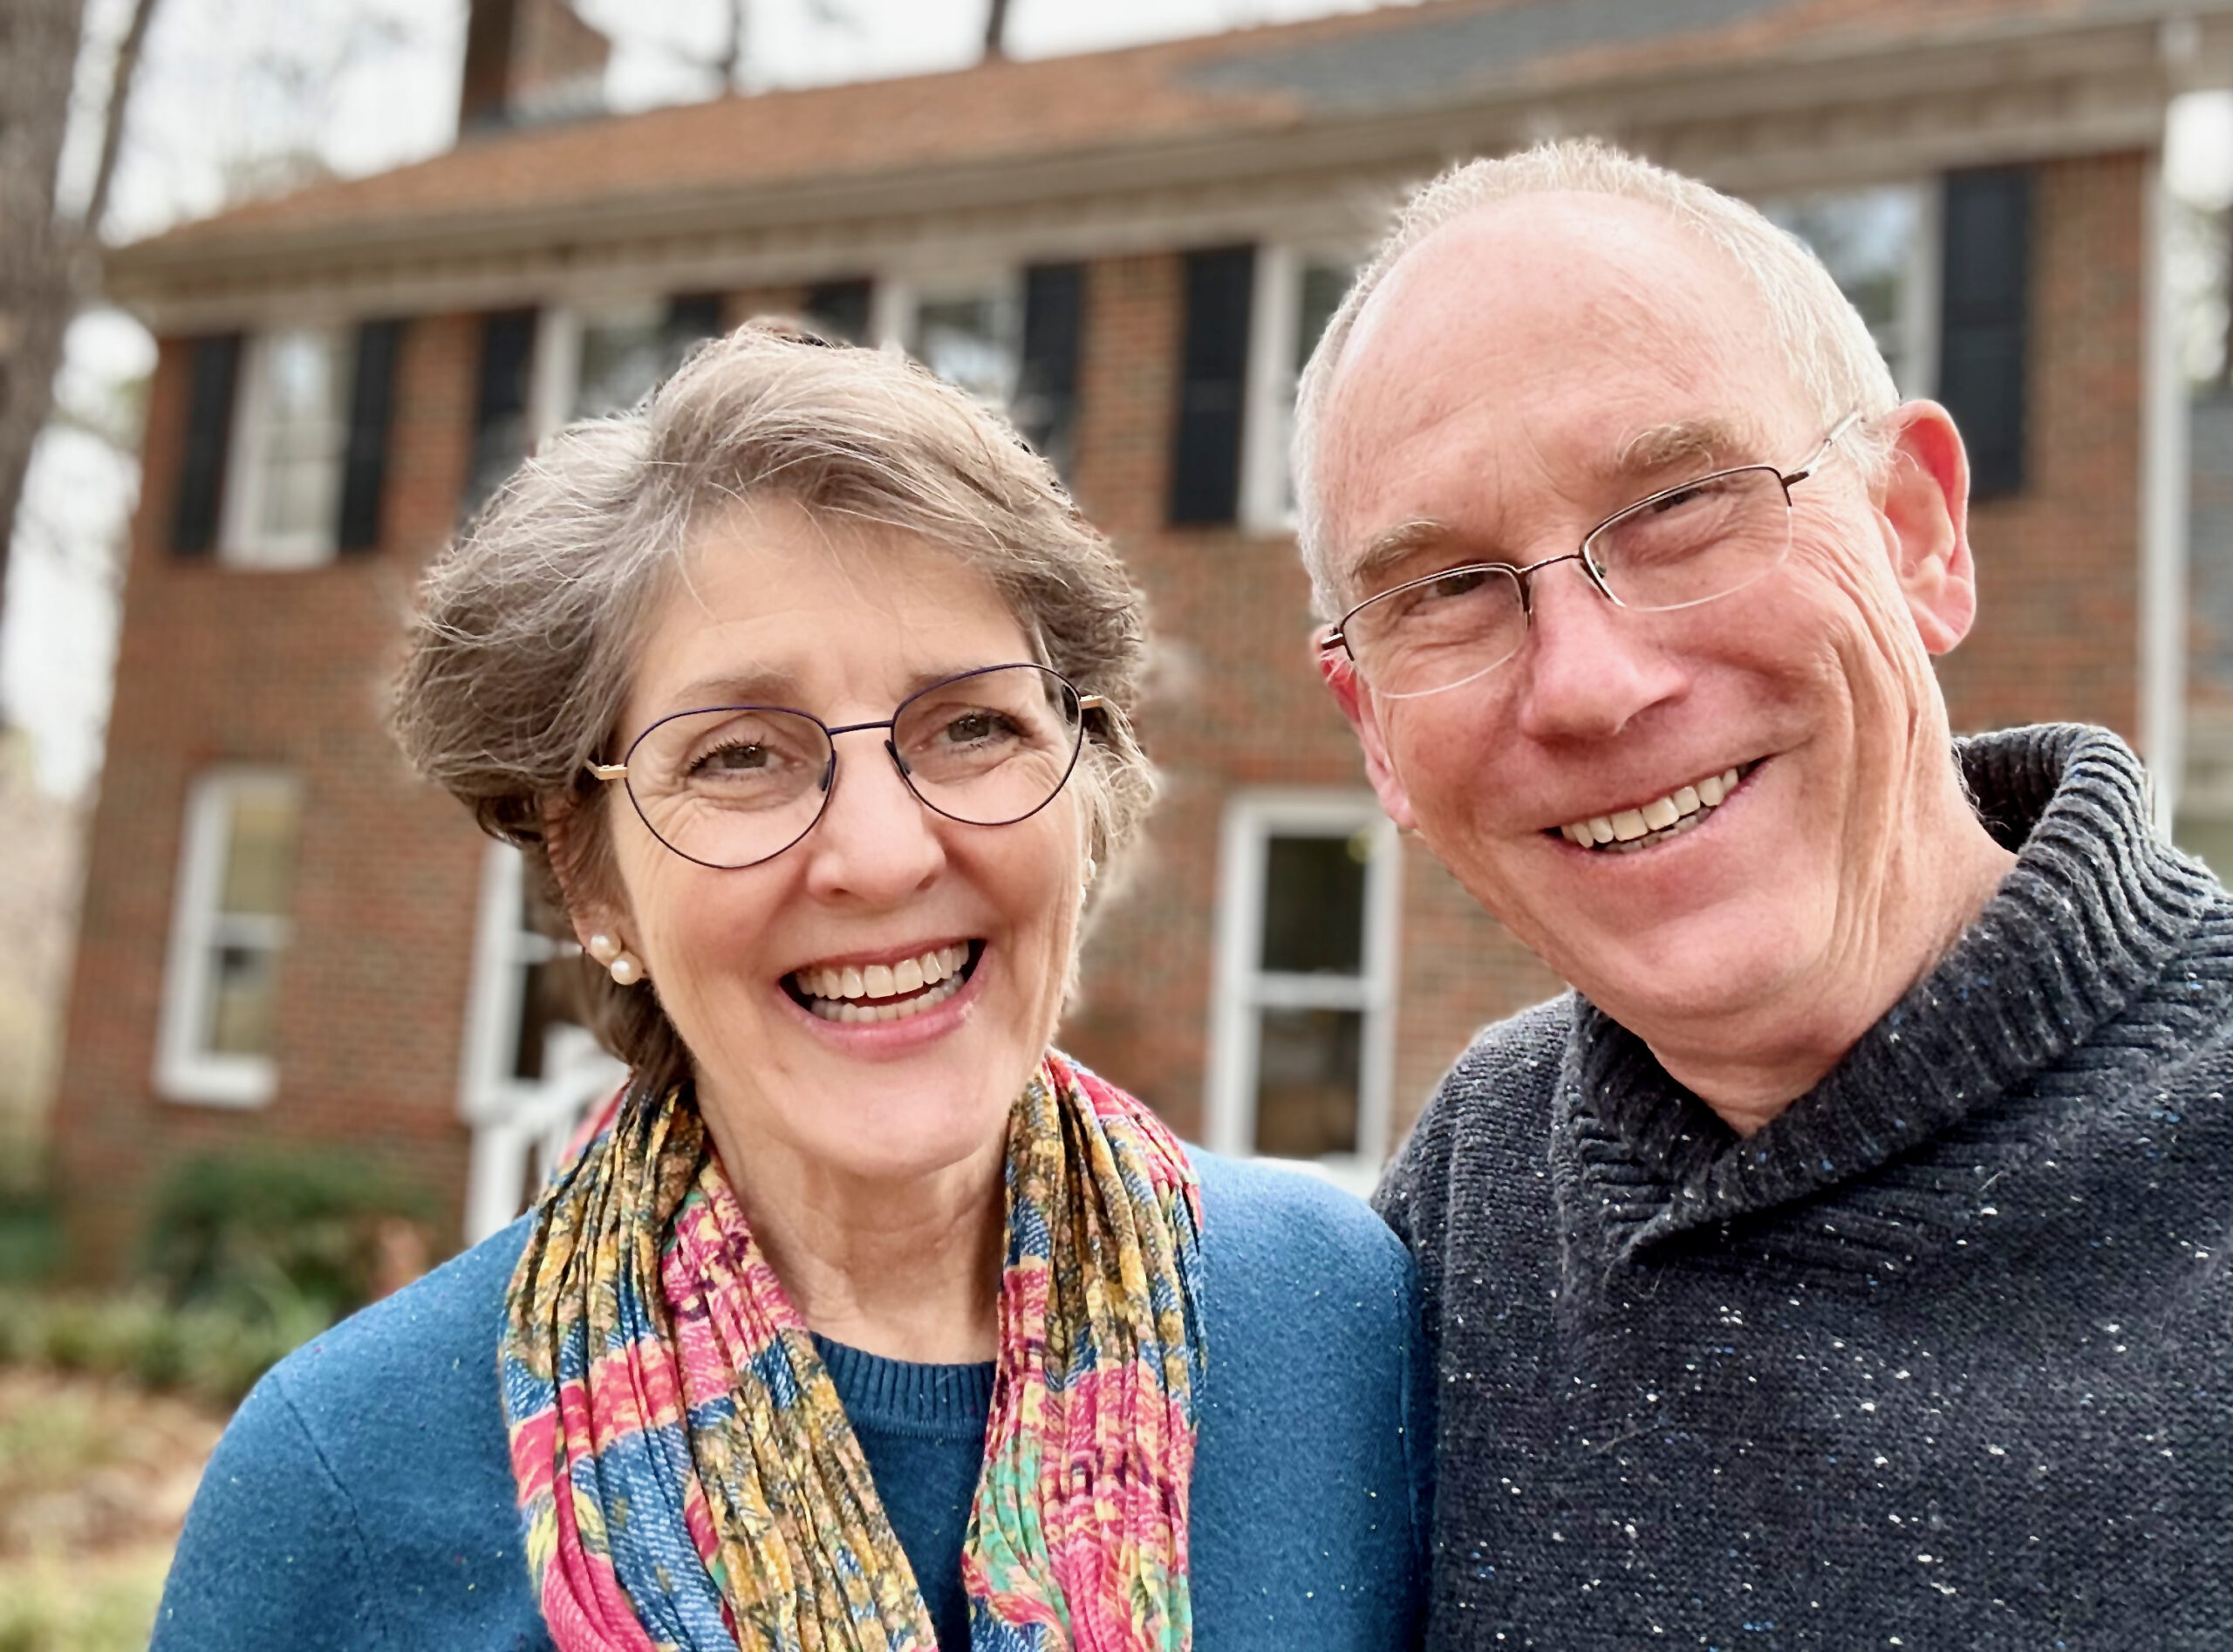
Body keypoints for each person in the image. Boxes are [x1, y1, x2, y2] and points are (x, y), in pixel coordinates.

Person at [153, 321, 1427, 1651]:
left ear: (1085, 787)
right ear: (592, 878)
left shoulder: (1337, 1327)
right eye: (740, 755)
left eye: (973, 724)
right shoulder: (347, 1482)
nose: (882, 855)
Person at [1298, 138, 2233, 1647]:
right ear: (1372, 733)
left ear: (1917, 530)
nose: (1589, 685)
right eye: (1447, 591)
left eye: (1681, 502)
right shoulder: (1468, 1197)